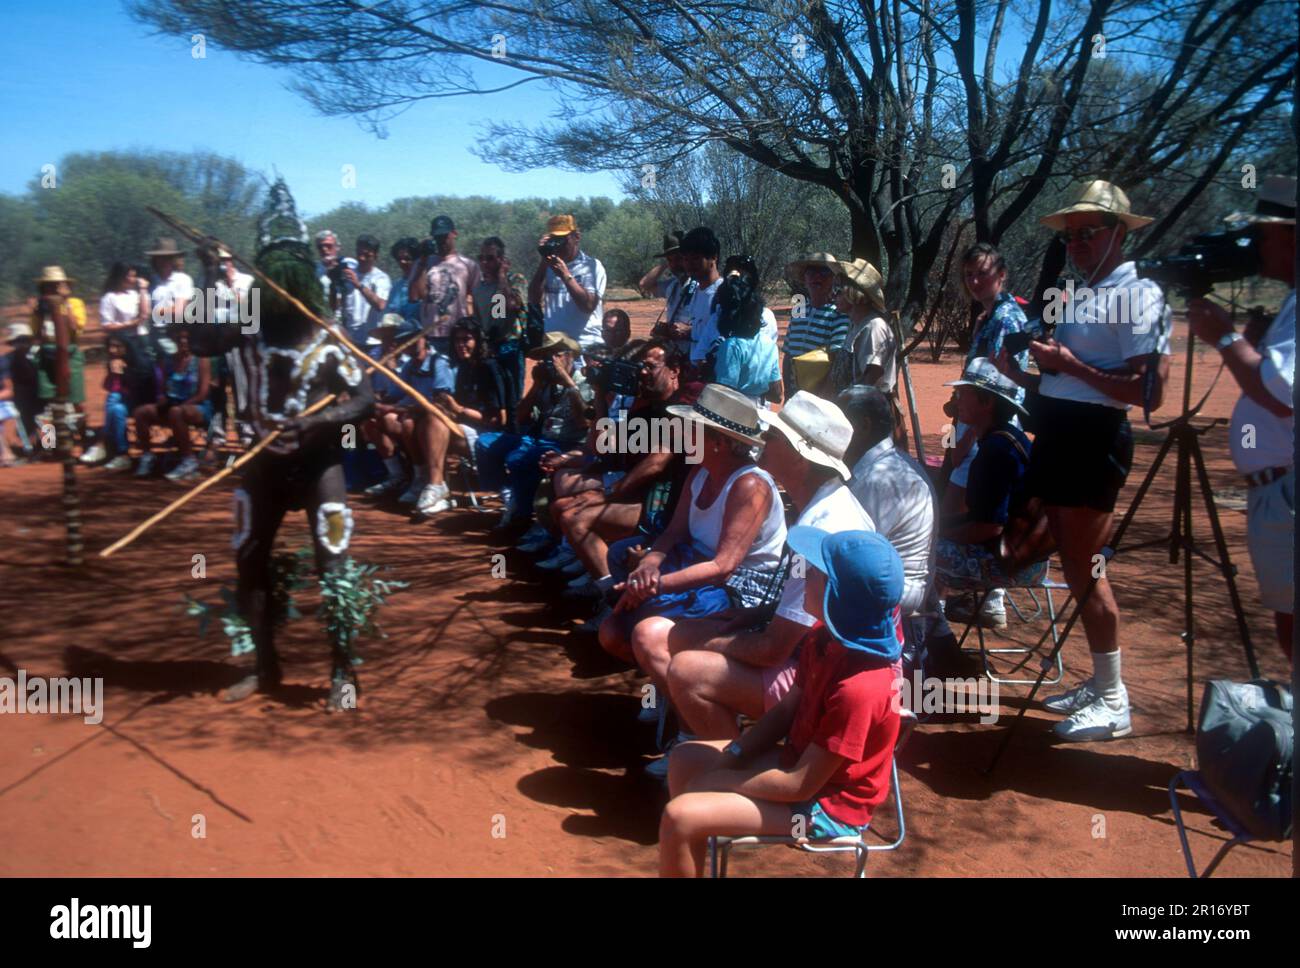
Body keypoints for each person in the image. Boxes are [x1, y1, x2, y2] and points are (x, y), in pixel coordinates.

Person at [189, 179, 377, 711]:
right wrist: (208, 274)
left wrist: (320, 423)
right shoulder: (247, 325)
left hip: (319, 464)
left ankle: (344, 669)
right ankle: (262, 663)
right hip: (261, 461)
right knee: (250, 556)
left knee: (333, 559)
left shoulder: (325, 327)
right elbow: (200, 340)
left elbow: (363, 399)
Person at [994, 179, 1171, 742]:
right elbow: (1060, 382)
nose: (1076, 244)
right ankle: (1100, 682)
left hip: (1095, 441)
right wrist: (1018, 372)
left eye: (1087, 233)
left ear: (1119, 233)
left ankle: (1114, 697)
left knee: (1088, 567)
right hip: (1060, 432)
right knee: (1071, 566)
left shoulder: (1139, 293)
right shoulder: (1080, 292)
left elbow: (1148, 393)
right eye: (1070, 236)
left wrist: (1067, 362)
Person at [658, 526, 903, 878]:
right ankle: (696, 857)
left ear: (836, 598)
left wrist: (723, 780)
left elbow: (799, 786)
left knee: (681, 816)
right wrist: (736, 753)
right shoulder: (824, 638)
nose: (806, 576)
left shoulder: (860, 690)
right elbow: (787, 709)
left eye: (816, 574)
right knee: (684, 759)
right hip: (800, 764)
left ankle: (693, 830)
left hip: (826, 811)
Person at [660, 392, 877, 754]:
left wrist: (703, 640)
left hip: (825, 683)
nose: (763, 441)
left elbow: (773, 650)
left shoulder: (819, 530)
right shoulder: (826, 505)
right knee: (690, 635)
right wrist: (755, 615)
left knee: (686, 664)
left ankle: (723, 774)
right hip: (818, 660)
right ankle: (714, 756)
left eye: (774, 437)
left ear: (800, 458)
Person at [599, 384, 787, 773]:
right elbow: (673, 533)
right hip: (699, 573)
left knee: (643, 634)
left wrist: (655, 584)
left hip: (741, 594)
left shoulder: (750, 485)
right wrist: (651, 563)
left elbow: (725, 566)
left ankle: (693, 736)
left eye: (693, 429)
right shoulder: (700, 472)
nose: (684, 436)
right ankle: (676, 695)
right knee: (613, 633)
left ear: (719, 441)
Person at [1187, 174, 1295, 663]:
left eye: (1265, 234)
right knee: (1288, 621)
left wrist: (1227, 338)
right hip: (1275, 490)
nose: (1257, 247)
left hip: (1287, 491)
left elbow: (1281, 394)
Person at [926, 359, 1049, 677]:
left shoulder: (994, 452)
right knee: (929, 541)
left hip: (1011, 562)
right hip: (1027, 556)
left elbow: (988, 526)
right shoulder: (1004, 439)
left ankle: (934, 645)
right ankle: (936, 637)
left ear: (987, 402)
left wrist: (938, 533)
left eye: (965, 394)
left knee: (915, 556)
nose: (957, 401)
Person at [552, 340, 691, 600]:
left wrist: (607, 494)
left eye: (650, 367)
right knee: (566, 510)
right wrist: (601, 397)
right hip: (642, 496)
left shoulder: (684, 406)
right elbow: (603, 447)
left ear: (675, 370)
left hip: (667, 506)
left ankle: (611, 598)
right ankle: (607, 589)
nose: (643, 373)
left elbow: (656, 463)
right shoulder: (644, 407)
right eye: (641, 368)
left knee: (576, 519)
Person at [942, 243, 1033, 630]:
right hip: (978, 420)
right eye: (969, 275)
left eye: (982, 273)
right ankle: (971, 594)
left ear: (1002, 274)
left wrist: (966, 441)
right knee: (962, 503)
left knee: (960, 506)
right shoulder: (989, 314)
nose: (975, 282)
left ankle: (982, 597)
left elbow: (994, 385)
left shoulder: (1007, 317)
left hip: (989, 422)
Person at [475, 332, 592, 527]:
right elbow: (520, 417)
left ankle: (522, 514)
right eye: (547, 356)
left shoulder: (583, 382)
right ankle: (510, 493)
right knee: (485, 443)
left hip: (568, 443)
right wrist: (537, 384)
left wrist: (568, 384)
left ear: (570, 355)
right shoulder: (545, 383)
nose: (552, 361)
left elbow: (584, 423)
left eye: (557, 355)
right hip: (540, 439)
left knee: (518, 459)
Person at [838, 384, 935, 618]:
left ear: (863, 426)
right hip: (896, 582)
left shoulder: (879, 478)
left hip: (896, 590)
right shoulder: (885, 465)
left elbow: (852, 550)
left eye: (840, 422)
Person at [414, 317, 507, 516]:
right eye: (457, 340)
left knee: (434, 422)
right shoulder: (464, 367)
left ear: (478, 341)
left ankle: (436, 485)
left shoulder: (489, 367)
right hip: (465, 429)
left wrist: (457, 409)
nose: (461, 345)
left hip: (488, 436)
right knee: (428, 420)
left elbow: (497, 420)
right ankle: (432, 483)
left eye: (466, 339)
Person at [132, 328, 212, 482]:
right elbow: (162, 390)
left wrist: (182, 405)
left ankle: (189, 461)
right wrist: (162, 399)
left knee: (176, 412)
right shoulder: (169, 360)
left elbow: (202, 393)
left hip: (198, 408)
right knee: (141, 412)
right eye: (180, 338)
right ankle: (147, 456)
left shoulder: (201, 360)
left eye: (187, 338)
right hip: (172, 407)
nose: (183, 341)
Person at [32, 266, 89, 455]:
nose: (53, 290)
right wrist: (39, 311)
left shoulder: (75, 303)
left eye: (57, 286)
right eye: (50, 286)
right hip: (47, 352)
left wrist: (65, 304)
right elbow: (36, 333)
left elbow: (76, 327)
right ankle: (50, 446)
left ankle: (83, 439)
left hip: (70, 352)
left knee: (75, 399)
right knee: (49, 403)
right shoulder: (40, 308)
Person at [528, 214, 606, 351]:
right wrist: (544, 260)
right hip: (555, 346)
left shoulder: (591, 266)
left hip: (584, 346)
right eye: (554, 239)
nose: (559, 245)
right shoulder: (549, 266)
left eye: (563, 239)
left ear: (576, 237)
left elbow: (588, 305)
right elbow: (533, 299)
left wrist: (565, 275)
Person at [711, 255, 781, 405]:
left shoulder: (731, 346)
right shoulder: (770, 345)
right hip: (761, 415)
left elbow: (725, 396)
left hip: (737, 416)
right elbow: (777, 395)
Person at [783, 252, 850, 395]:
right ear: (804, 278)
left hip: (821, 396)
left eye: (825, 272)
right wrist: (788, 391)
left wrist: (822, 398)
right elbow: (788, 354)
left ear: (834, 279)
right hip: (795, 395)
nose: (817, 276)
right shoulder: (799, 309)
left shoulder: (839, 313)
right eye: (811, 272)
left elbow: (836, 361)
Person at [410, 215, 481, 350]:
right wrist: (423, 260)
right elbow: (414, 296)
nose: (441, 241)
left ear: (454, 234)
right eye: (437, 237)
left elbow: (476, 300)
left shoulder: (468, 265)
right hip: (431, 336)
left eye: (444, 236)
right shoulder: (423, 264)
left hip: (459, 337)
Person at [828, 258, 894, 395]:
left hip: (865, 412)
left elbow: (872, 379)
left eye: (837, 290)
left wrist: (845, 403)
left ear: (852, 292)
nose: (832, 295)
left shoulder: (873, 327)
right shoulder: (855, 325)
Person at [642, 231, 697, 356]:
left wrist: (689, 331)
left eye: (678, 259)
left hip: (695, 353)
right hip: (675, 352)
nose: (674, 264)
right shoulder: (673, 285)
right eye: (670, 260)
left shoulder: (701, 285)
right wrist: (665, 264)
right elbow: (645, 284)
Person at [678, 227, 725, 372]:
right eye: (686, 259)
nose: (690, 264)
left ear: (713, 257)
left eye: (696, 258)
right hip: (695, 370)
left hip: (716, 372)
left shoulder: (724, 293)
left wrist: (689, 331)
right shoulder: (694, 291)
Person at [341, 234, 391, 343]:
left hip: (372, 342)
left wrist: (359, 285)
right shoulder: (348, 276)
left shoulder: (381, 278)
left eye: (367, 255)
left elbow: (381, 305)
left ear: (375, 256)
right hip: (350, 340)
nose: (362, 258)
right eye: (359, 254)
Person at [146, 238, 194, 339]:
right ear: (155, 260)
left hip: (175, 332)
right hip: (151, 332)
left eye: (168, 258)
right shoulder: (150, 281)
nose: (164, 262)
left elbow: (179, 310)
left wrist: (153, 312)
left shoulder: (182, 280)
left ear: (173, 260)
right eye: (161, 258)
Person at [98, 262, 151, 337]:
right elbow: (106, 326)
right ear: (120, 277)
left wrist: (143, 289)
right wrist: (127, 325)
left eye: (135, 276)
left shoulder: (135, 294)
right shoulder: (109, 298)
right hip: (123, 339)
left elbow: (145, 314)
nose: (134, 279)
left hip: (143, 336)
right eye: (131, 276)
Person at [383, 237, 424, 333]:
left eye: (407, 258)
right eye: (399, 259)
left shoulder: (424, 284)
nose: (402, 262)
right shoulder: (395, 287)